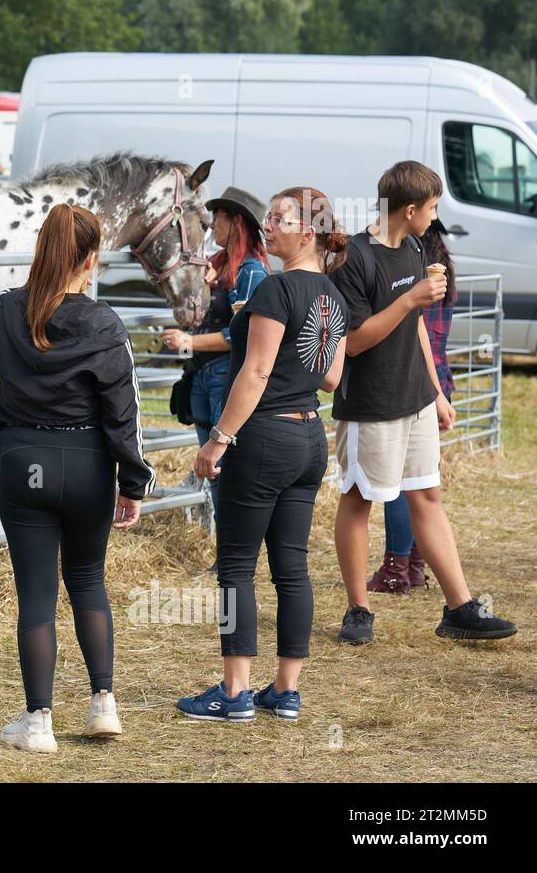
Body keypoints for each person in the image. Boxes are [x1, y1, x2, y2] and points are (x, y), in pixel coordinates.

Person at [0, 203, 155, 753]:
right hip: (86, 461)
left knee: (35, 593)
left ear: (42, 250)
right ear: (92, 258)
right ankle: (103, 703)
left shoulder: (7, 310)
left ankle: (38, 724)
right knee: (87, 581)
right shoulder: (104, 323)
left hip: (21, 456)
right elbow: (122, 411)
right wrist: (133, 483)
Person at [177, 187, 349, 723]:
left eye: (278, 219)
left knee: (235, 567)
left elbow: (254, 371)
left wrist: (218, 438)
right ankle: (285, 691)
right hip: (308, 439)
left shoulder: (275, 290)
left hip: (262, 439)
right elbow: (331, 377)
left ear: (309, 231)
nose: (268, 227)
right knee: (292, 567)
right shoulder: (333, 295)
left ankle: (234, 694)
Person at [329, 161, 516, 645]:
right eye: (431, 209)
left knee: (428, 495)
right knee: (358, 500)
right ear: (409, 209)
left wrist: (435, 392)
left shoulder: (412, 247)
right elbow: (352, 342)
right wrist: (411, 298)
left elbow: (415, 330)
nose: (434, 219)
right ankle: (358, 610)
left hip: (414, 399)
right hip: (370, 404)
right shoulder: (354, 257)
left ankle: (460, 609)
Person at [161, 187, 271, 519]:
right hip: (205, 375)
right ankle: (224, 545)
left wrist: (189, 342)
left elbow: (239, 334)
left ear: (235, 221)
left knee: (225, 466)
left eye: (218, 219)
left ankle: (231, 549)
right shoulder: (217, 266)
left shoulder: (252, 271)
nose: (211, 226)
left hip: (225, 375)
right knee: (212, 467)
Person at [368, 217, 455, 593]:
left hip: (415, 381)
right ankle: (417, 565)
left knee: (404, 484)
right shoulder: (444, 276)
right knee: (423, 481)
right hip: (439, 381)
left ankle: (397, 567)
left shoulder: (415, 277)